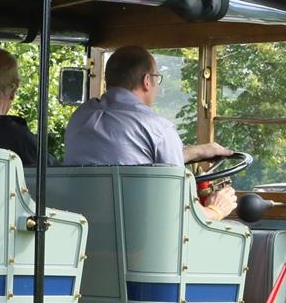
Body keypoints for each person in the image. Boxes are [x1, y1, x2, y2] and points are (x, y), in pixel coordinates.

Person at [62, 46, 236, 219]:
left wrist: (193, 152)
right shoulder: (159, 129)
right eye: (156, 78)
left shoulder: (80, 118)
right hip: (139, 237)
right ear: (147, 80)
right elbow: (178, 211)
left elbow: (125, 157)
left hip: (82, 234)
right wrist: (216, 209)